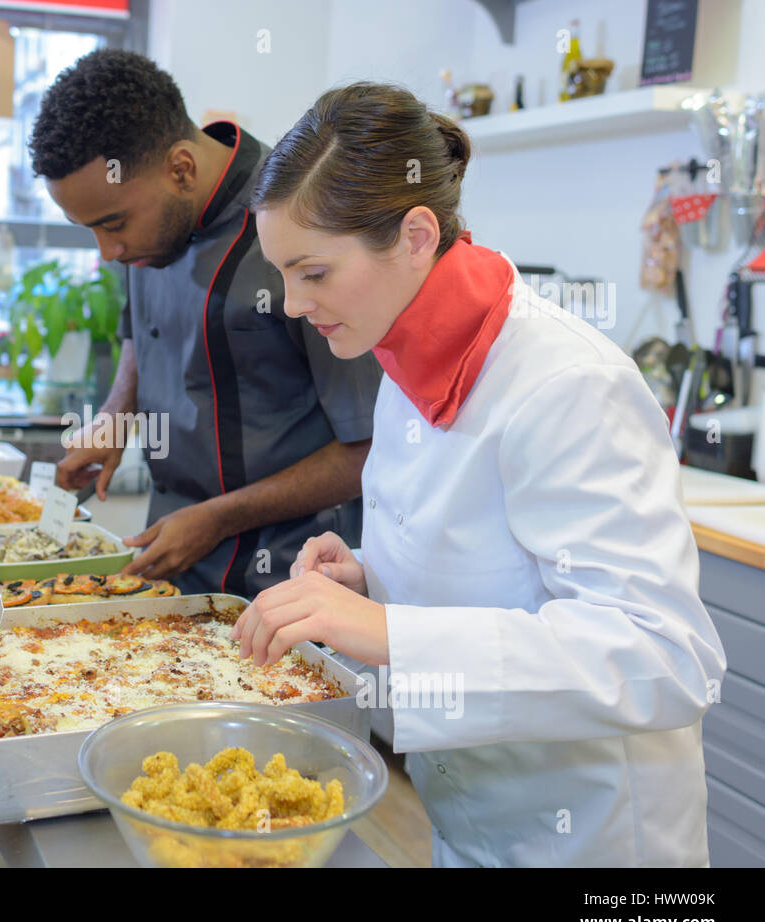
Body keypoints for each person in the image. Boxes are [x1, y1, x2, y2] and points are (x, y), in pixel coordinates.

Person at [233, 82, 726, 867]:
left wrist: (389, 630)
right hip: (467, 819)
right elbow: (487, 566)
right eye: (283, 274)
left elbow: (663, 655)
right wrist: (371, 581)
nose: (293, 304)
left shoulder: (568, 381)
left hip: (595, 840)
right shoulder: (401, 348)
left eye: (314, 273)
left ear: (417, 234)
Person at [28, 50, 381, 598]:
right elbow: (138, 328)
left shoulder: (303, 227)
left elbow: (366, 451)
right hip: (171, 564)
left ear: (181, 168)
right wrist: (116, 415)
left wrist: (215, 518)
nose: (107, 252)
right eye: (89, 230)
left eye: (114, 225)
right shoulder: (145, 232)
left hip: (292, 584)